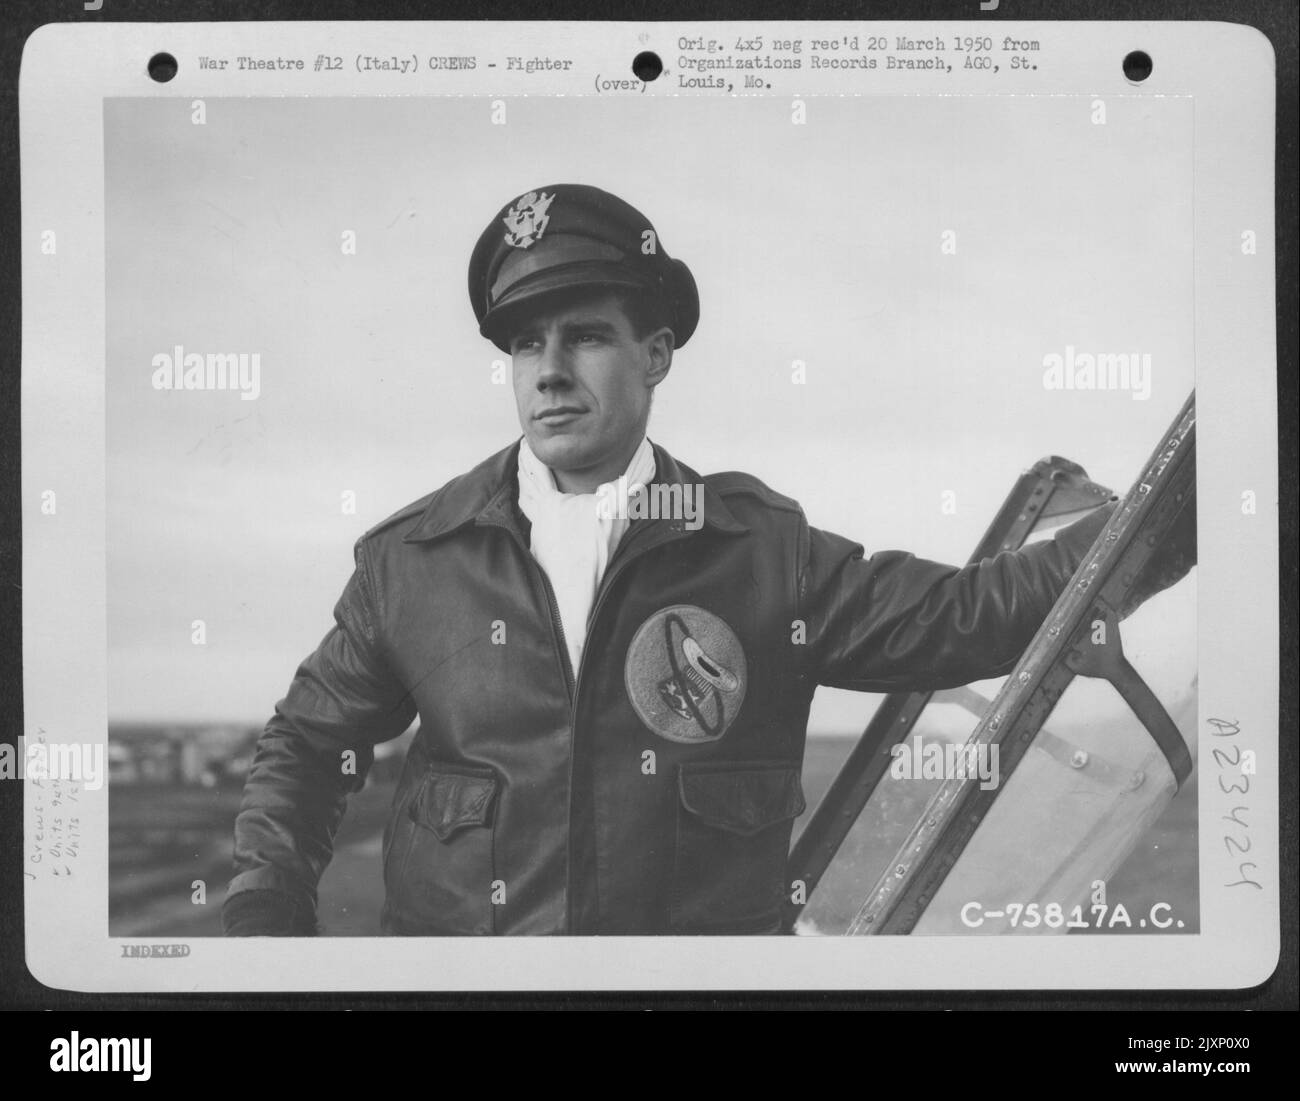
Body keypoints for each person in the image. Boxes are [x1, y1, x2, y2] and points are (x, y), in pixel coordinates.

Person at [222, 184, 1136, 937]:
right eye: (524, 344)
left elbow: (973, 615)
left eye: (583, 335)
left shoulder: (763, 556)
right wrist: (268, 914)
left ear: (655, 354)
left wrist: (1174, 513)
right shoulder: (414, 562)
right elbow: (306, 746)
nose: (547, 371)